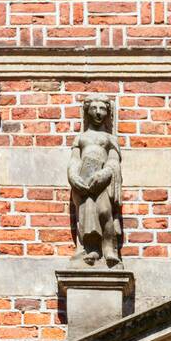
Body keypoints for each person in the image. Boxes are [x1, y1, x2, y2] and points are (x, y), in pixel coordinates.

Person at [68, 96, 123, 266]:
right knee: (87, 210)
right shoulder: (81, 138)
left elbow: (114, 160)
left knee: (104, 210)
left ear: (108, 112)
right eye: (94, 108)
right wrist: (73, 175)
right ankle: (92, 248)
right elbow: (75, 160)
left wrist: (106, 173)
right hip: (84, 179)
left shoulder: (109, 138)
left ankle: (108, 248)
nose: (98, 112)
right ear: (87, 111)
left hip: (102, 180)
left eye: (102, 109)